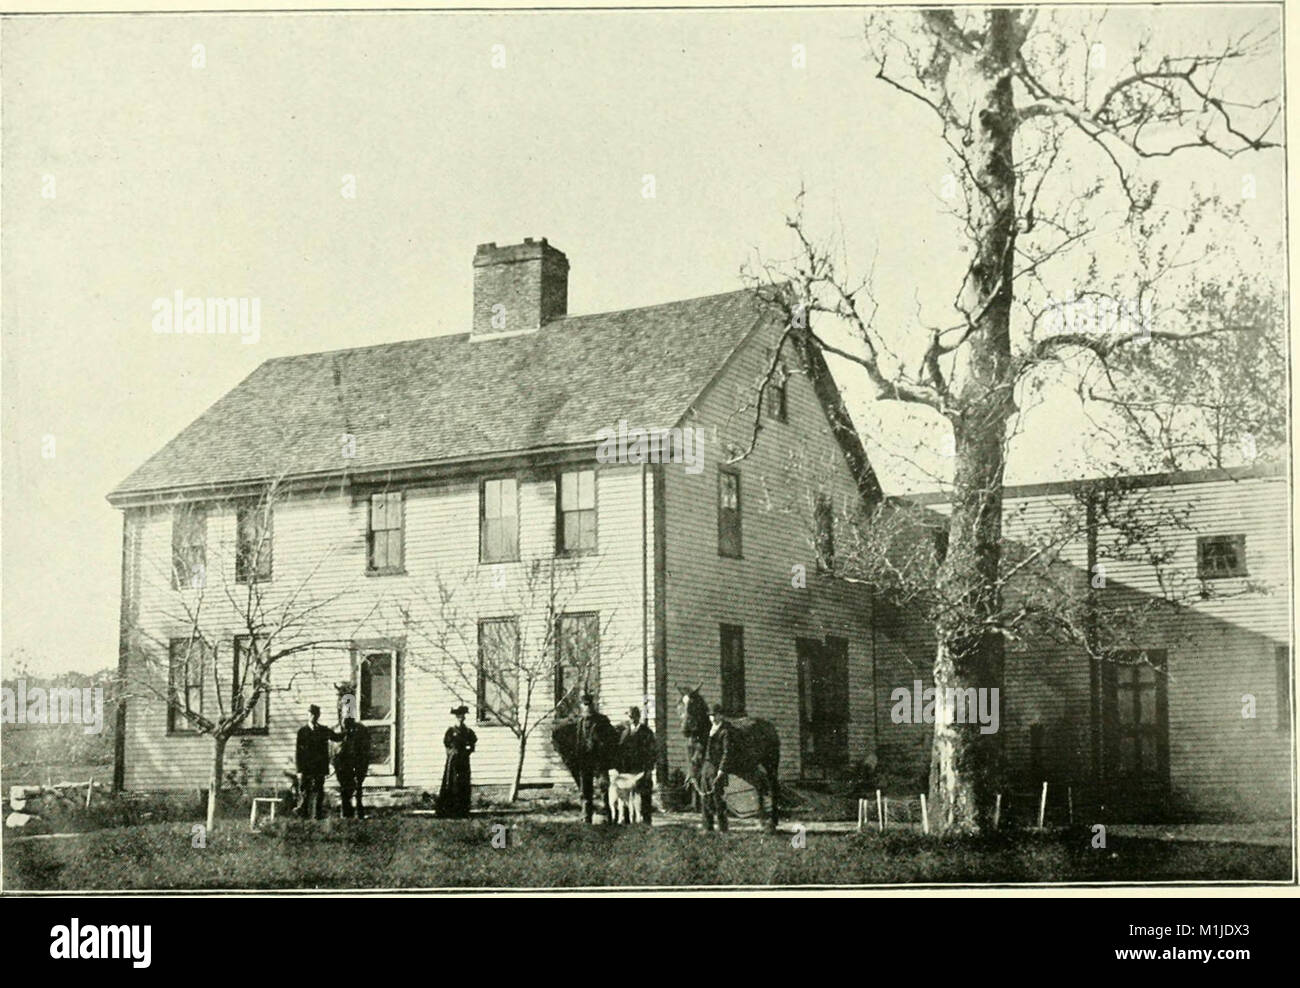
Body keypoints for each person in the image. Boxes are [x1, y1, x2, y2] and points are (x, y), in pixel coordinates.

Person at [296, 704, 338, 820]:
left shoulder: (323, 730)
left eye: (315, 714)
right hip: (306, 768)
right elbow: (299, 753)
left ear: (318, 716)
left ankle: (317, 816)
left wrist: (348, 731)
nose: (313, 717)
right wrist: (299, 770)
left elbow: (336, 737)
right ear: (307, 715)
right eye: (311, 714)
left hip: (319, 767)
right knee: (305, 792)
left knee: (319, 792)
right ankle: (303, 816)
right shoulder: (302, 732)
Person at [575, 692, 612, 824]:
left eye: (589, 704)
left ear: (593, 705)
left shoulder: (602, 720)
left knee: (604, 786)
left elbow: (610, 738)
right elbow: (579, 741)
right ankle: (586, 815)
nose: (587, 707)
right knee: (585, 789)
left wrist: (602, 747)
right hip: (585, 760)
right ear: (581, 706)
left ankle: (608, 813)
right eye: (585, 705)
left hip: (599, 759)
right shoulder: (580, 722)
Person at [617, 706, 656, 825]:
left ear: (639, 717)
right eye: (630, 717)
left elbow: (652, 753)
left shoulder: (646, 733)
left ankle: (646, 821)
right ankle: (626, 821)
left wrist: (649, 770)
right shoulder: (625, 733)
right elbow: (620, 751)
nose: (632, 719)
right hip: (627, 770)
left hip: (642, 769)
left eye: (634, 717)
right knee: (625, 796)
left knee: (643, 795)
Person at [438, 705, 477, 818]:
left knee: (463, 783)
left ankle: (462, 810)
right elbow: (447, 745)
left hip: (464, 761)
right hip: (453, 762)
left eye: (463, 715)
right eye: (458, 715)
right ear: (455, 717)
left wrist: (468, 750)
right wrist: (452, 752)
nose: (461, 717)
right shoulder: (450, 732)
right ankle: (449, 810)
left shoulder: (468, 732)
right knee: (451, 783)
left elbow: (472, 745)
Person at [334, 716, 371, 819]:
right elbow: (335, 753)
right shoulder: (338, 732)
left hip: (357, 763)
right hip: (343, 765)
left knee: (358, 787)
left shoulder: (361, 732)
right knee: (345, 789)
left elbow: (365, 751)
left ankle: (359, 811)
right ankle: (346, 812)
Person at [702, 704, 731, 832]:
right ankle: (707, 826)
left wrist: (721, 770)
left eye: (715, 715)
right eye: (711, 715)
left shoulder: (724, 732)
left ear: (721, 715)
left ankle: (722, 827)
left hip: (717, 768)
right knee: (705, 797)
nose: (713, 718)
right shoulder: (708, 730)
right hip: (706, 767)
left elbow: (727, 752)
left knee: (718, 799)